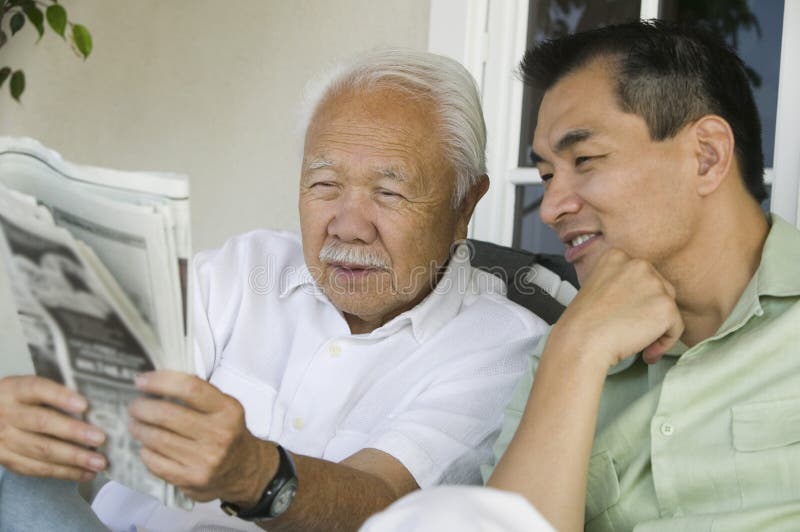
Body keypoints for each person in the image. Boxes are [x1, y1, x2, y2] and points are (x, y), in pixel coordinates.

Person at [0, 49, 547, 531]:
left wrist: (255, 473)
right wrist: (32, 423)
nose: (348, 226)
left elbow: (383, 505)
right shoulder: (247, 266)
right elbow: (109, 402)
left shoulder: (499, 346)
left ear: (465, 205)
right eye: (324, 184)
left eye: (389, 192)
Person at [363, 19, 800, 532]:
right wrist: (577, 350)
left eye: (585, 160)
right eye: (547, 175)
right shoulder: (564, 351)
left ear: (706, 156)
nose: (550, 208)